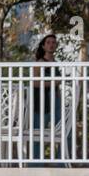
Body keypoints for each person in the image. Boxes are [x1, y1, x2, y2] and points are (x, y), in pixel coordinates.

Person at [31, 33, 63, 161]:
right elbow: (35, 83)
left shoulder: (56, 63)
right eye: (48, 42)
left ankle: (61, 161)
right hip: (42, 101)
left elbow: (58, 85)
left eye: (53, 42)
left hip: (56, 100)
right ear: (43, 46)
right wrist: (53, 82)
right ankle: (36, 163)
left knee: (63, 131)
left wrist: (59, 98)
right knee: (38, 133)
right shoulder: (39, 63)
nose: (51, 45)